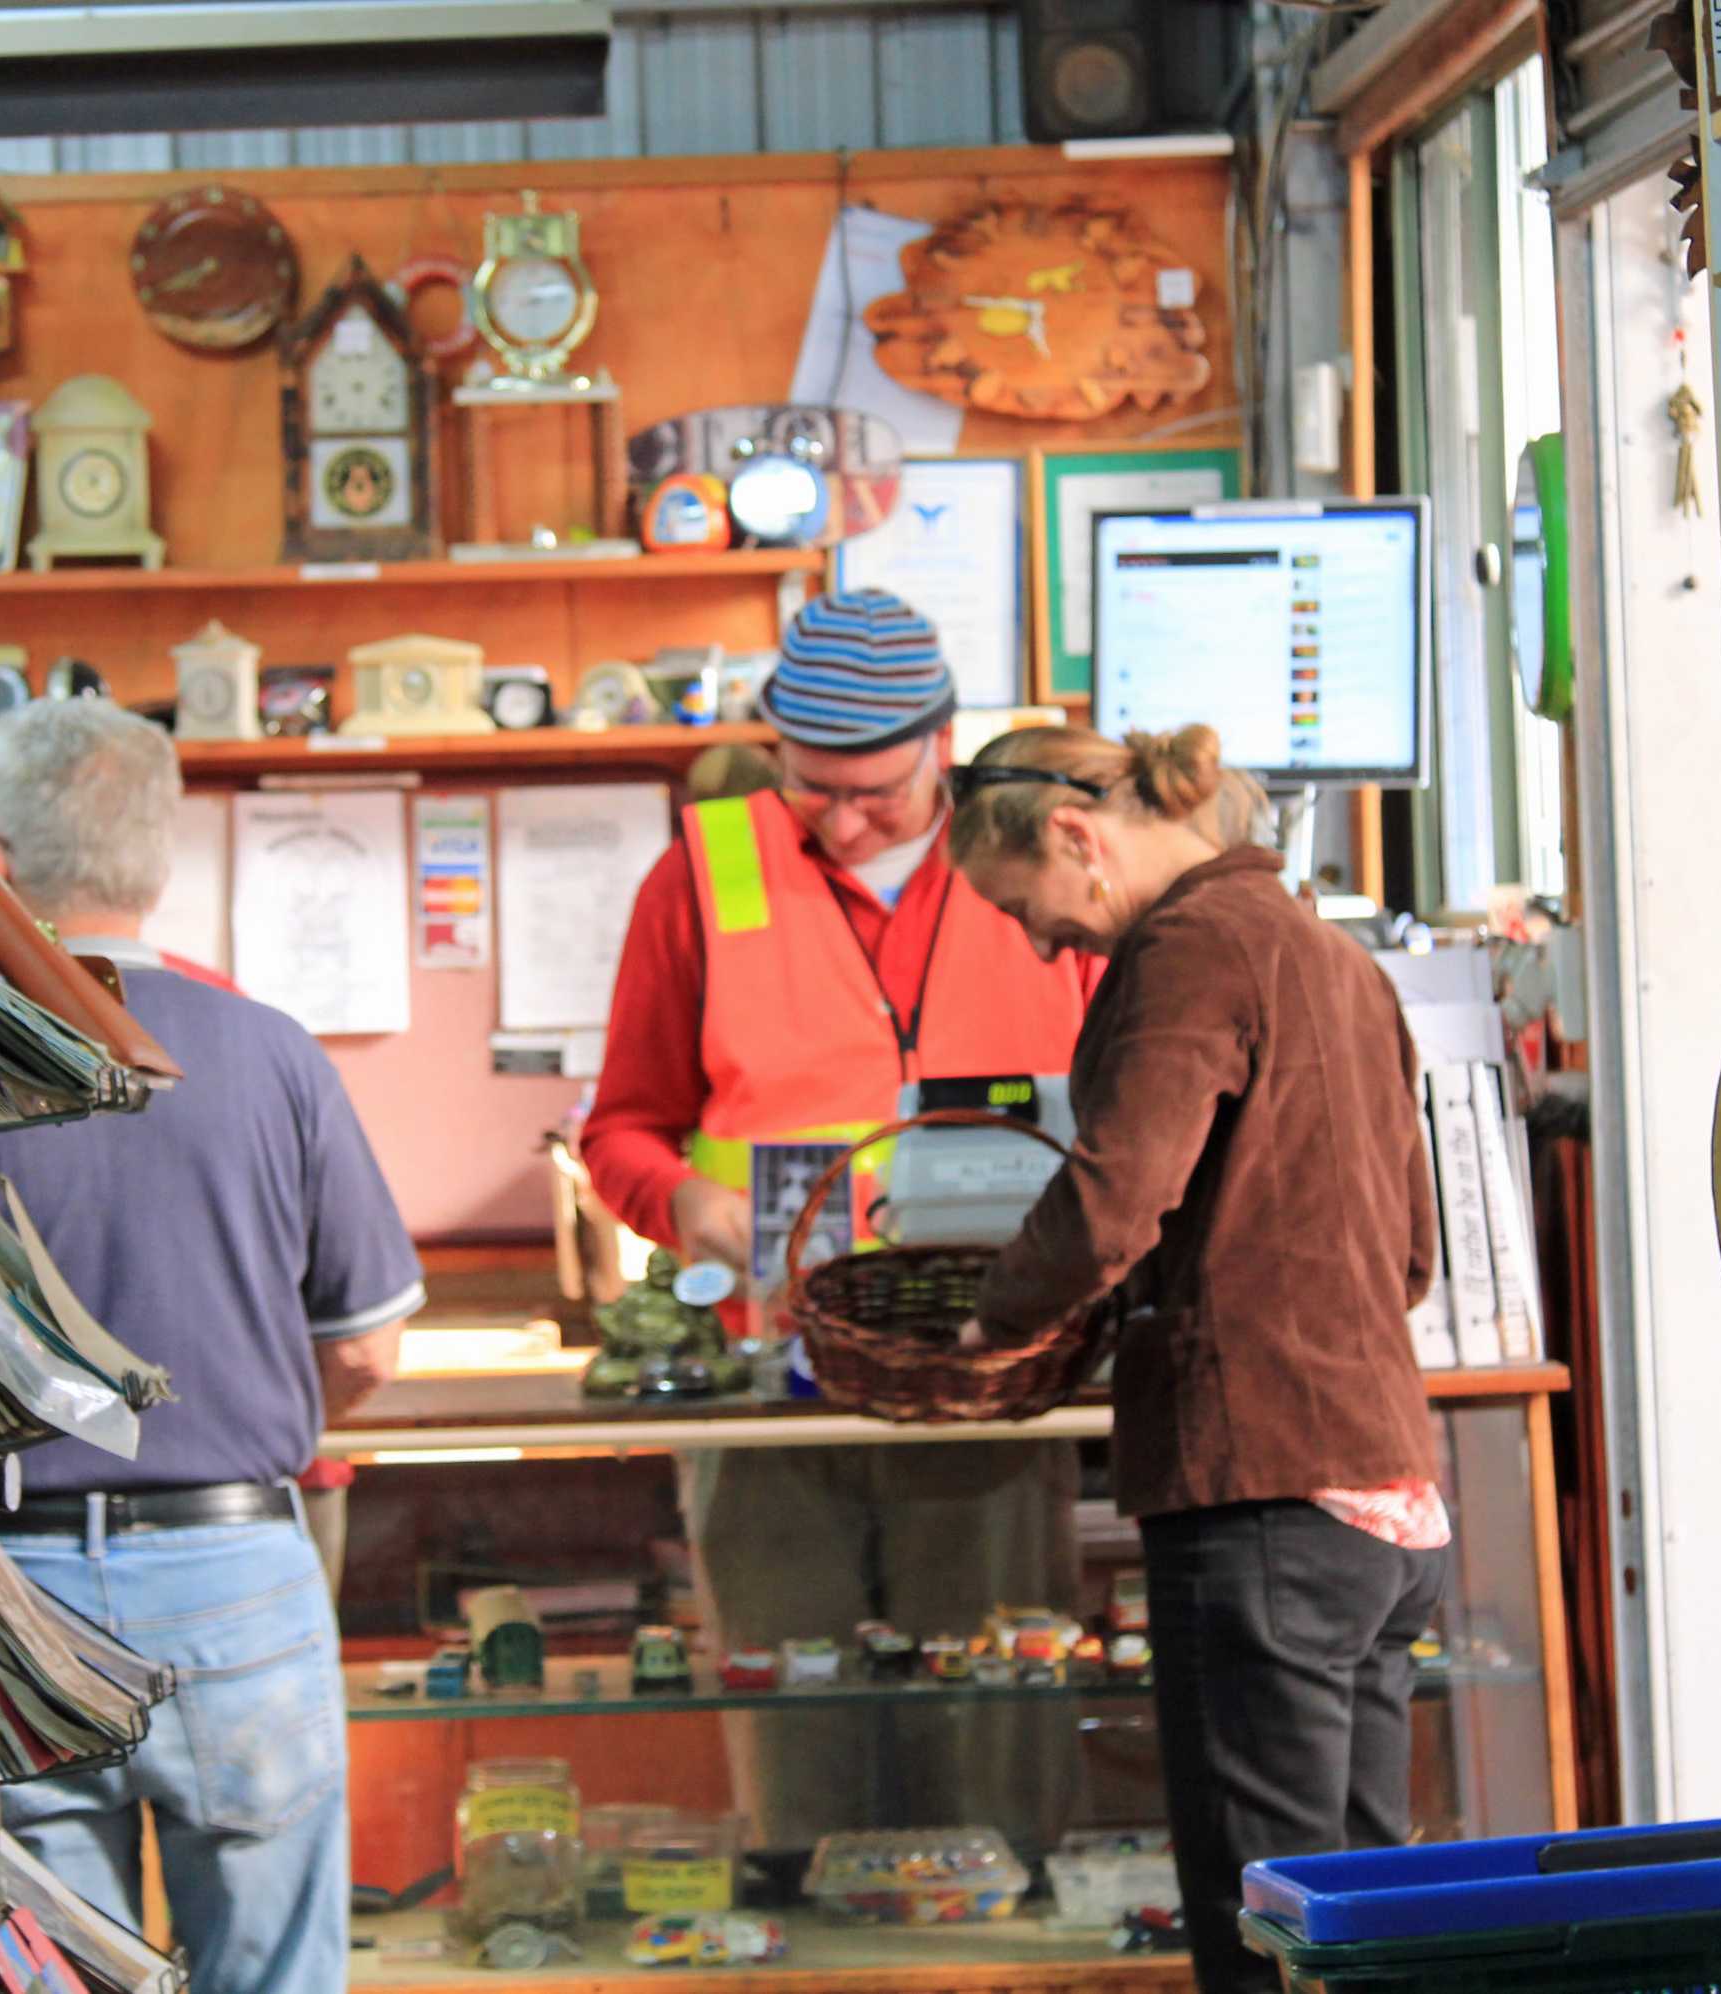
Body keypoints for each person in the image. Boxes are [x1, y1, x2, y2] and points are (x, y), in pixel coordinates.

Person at [580, 588, 1097, 1850]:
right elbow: (622, 1130)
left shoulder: (1044, 867)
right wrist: (689, 1204)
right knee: (799, 1767)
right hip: (771, 1402)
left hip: (996, 1386)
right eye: (813, 787)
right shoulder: (700, 873)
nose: (846, 819)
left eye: (878, 791)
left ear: (944, 744)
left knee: (997, 1747)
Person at [946, 722, 1448, 1994]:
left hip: (1258, 1490)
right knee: (1365, 1922)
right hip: (1383, 1495)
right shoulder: (1336, 956)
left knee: (1262, 1929)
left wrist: (995, 1318)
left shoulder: (1189, 948)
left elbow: (1113, 1198)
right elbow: (1413, 1252)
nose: (1041, 942)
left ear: (1076, 833)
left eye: (1023, 905)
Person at [0, 700, 421, 1994]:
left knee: (47, 1973)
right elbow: (369, 1348)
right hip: (236, 1568)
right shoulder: (273, 1052)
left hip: (11, 1587)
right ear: (159, 863)